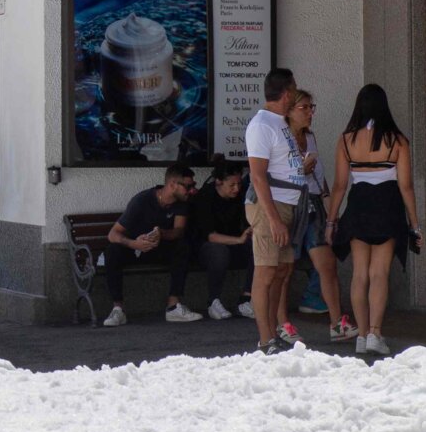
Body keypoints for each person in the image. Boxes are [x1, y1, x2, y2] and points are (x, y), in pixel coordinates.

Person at [330, 84, 421, 357]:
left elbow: (339, 186)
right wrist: (415, 225)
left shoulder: (346, 140)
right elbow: (406, 186)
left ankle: (359, 334)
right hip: (387, 207)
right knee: (379, 273)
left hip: (358, 206)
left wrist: (330, 221)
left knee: (360, 273)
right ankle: (375, 332)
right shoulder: (398, 141)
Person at [246, 67, 308, 355]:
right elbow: (258, 175)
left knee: (281, 271)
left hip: (287, 204)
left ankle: (271, 333)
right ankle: (265, 339)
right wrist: (273, 219)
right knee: (266, 272)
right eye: (294, 91)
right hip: (271, 206)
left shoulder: (278, 123)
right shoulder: (262, 125)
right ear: (286, 93)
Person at [288, 90, 356, 343]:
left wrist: (330, 208)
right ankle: (281, 323)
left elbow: (320, 175)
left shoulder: (309, 136)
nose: (310, 113)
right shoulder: (281, 137)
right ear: (290, 110)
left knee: (327, 263)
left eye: (311, 107)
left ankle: (336, 322)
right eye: (304, 108)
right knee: (284, 268)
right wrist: (299, 170)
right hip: (291, 202)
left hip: (313, 202)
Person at [101, 164, 198, 326]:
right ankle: (118, 309)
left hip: (158, 247)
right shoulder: (142, 200)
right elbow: (113, 234)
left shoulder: (182, 202)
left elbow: (179, 230)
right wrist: (133, 243)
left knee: (182, 246)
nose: (191, 190)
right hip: (134, 248)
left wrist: (161, 233)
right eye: (188, 186)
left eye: (193, 186)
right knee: (112, 251)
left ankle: (173, 306)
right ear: (172, 184)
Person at [181, 161, 257, 321]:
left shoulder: (239, 195)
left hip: (234, 243)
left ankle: (246, 298)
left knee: (257, 246)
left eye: (238, 183)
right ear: (218, 182)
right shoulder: (205, 198)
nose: (236, 188)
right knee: (218, 251)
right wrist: (238, 240)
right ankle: (213, 301)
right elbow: (210, 235)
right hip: (204, 248)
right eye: (232, 185)